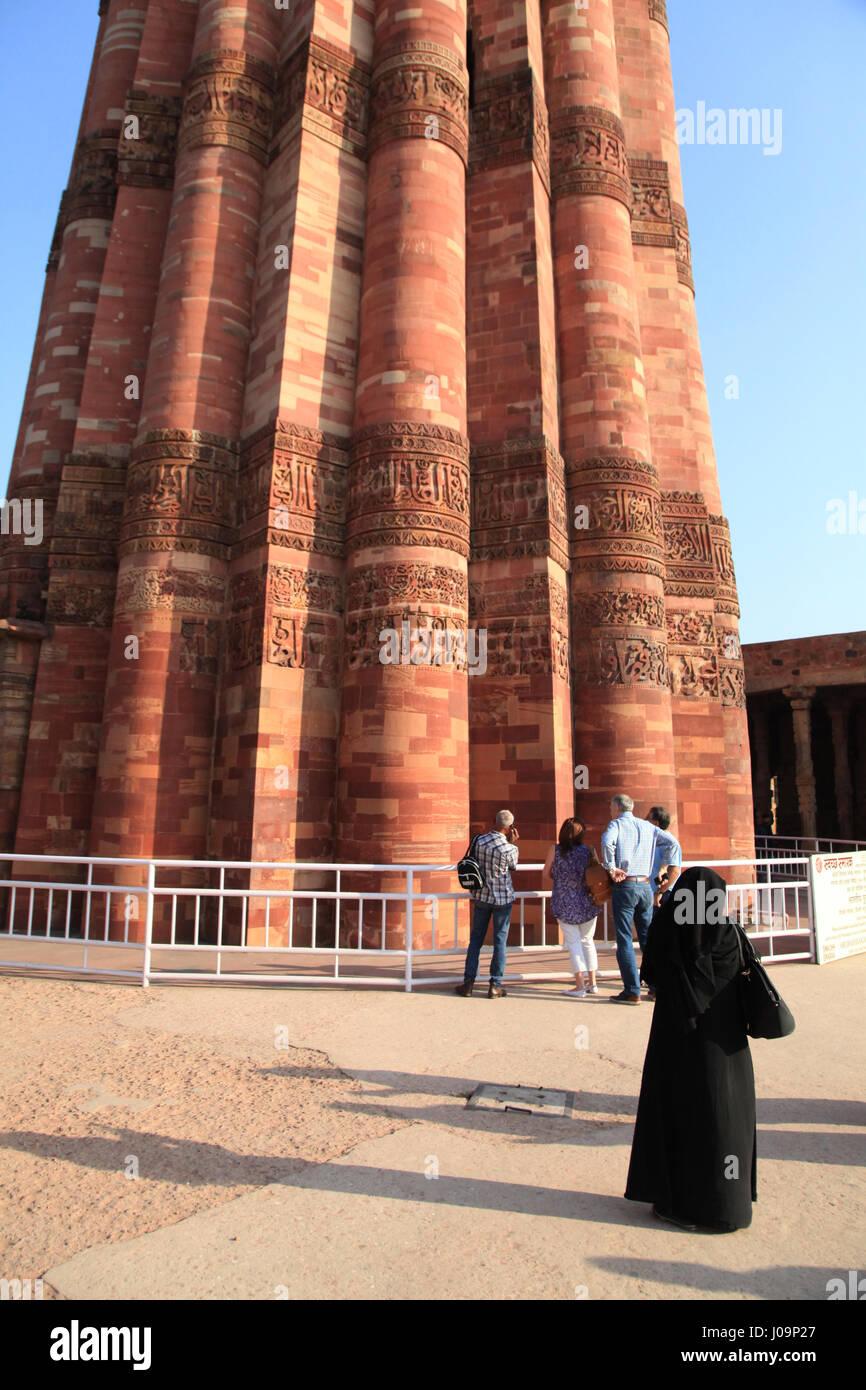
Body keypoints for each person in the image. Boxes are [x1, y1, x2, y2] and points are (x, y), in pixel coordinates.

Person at [625, 866, 757, 1232]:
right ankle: (728, 1207)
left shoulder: (670, 936)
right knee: (725, 1121)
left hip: (679, 1046)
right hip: (727, 1050)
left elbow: (650, 972)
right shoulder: (729, 934)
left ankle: (682, 1203)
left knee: (683, 1123)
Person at [601, 794, 678, 1004]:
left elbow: (607, 843)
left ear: (617, 807)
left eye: (610, 805)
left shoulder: (616, 824)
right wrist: (666, 868)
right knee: (647, 937)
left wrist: (611, 868)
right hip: (645, 885)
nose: (610, 809)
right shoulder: (647, 827)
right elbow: (673, 842)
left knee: (625, 938)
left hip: (625, 884)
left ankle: (632, 990)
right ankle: (656, 987)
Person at [455, 810, 519, 999]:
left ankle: (468, 983)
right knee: (500, 942)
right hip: (502, 899)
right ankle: (495, 985)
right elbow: (512, 867)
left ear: (493, 821)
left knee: (476, 940)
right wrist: (512, 844)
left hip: (481, 896)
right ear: (509, 828)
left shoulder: (479, 841)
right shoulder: (509, 849)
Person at [543, 817, 599, 997]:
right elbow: (597, 872)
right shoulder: (590, 850)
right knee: (588, 942)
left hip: (564, 901)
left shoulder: (556, 850)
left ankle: (580, 985)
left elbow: (546, 873)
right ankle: (593, 983)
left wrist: (562, 881)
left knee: (574, 943)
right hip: (588, 901)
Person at [644, 805, 683, 1001]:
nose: (643, 820)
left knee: (660, 941)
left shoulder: (669, 842)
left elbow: (674, 872)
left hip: (663, 897)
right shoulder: (656, 841)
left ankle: (658, 986)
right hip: (652, 894)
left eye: (647, 818)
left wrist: (660, 892)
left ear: (656, 823)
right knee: (653, 940)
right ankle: (652, 981)